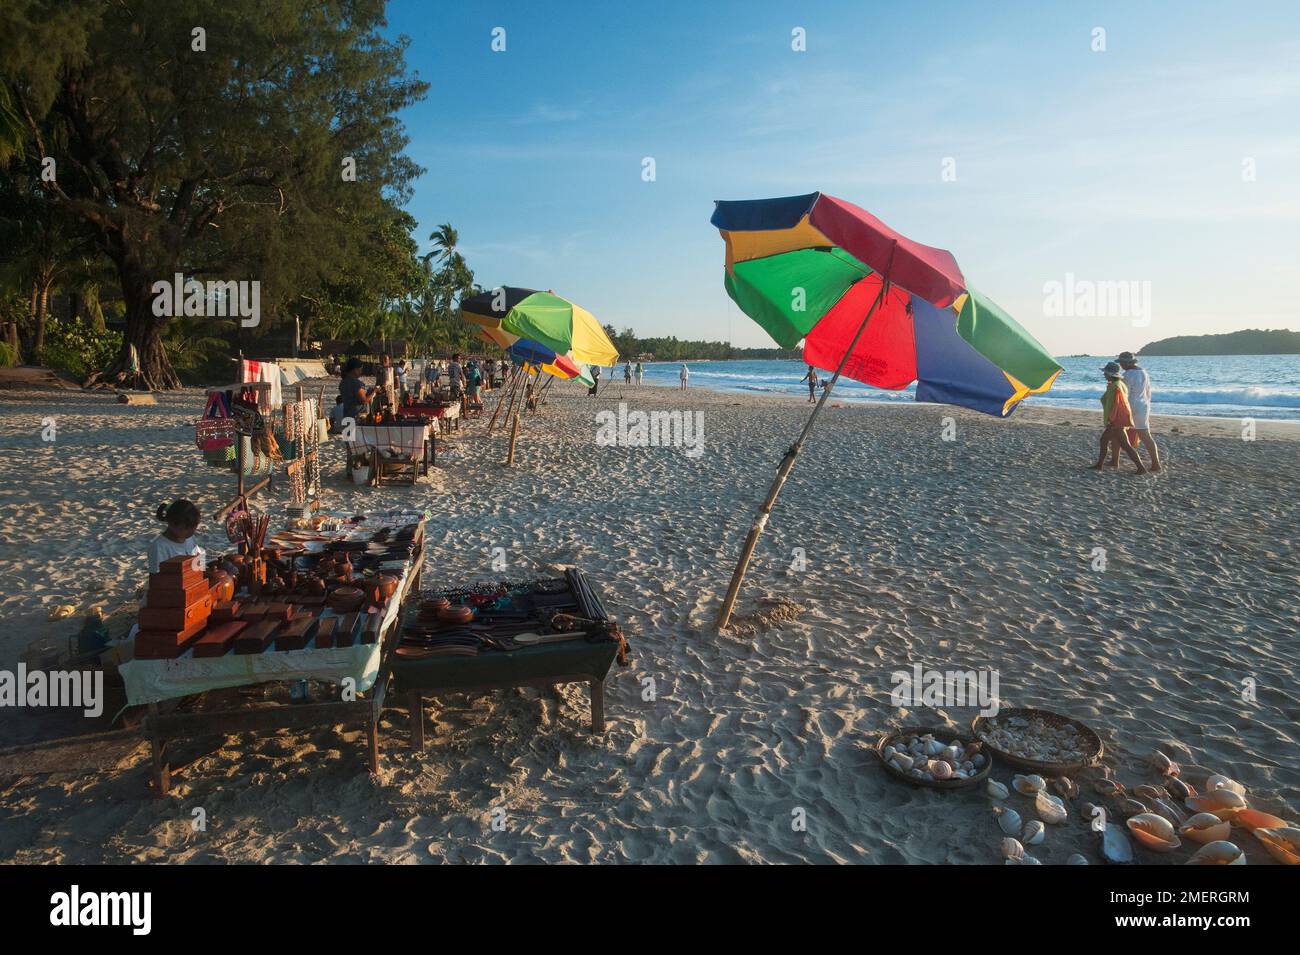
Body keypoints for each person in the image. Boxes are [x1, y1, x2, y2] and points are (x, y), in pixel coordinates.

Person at [1090, 362, 1147, 474]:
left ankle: (1141, 468)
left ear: (1109, 374)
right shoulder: (1119, 384)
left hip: (1116, 421)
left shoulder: (1115, 386)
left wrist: (1111, 420)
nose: (1104, 375)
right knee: (1109, 441)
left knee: (1122, 444)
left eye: (1105, 373)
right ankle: (1100, 464)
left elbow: (1117, 405)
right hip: (1118, 420)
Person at [1110, 351, 1162, 472]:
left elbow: (1124, 392)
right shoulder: (1144, 373)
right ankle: (1156, 463)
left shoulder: (1128, 374)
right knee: (1145, 435)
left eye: (1122, 363)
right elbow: (1148, 392)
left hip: (1130, 407)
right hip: (1143, 406)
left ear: (1127, 363)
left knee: (1117, 432)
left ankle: (1115, 460)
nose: (1121, 365)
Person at [149, 500, 204, 573]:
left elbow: (198, 563)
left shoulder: (190, 538)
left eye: (194, 528)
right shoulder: (159, 547)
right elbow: (157, 578)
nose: (192, 532)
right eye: (187, 528)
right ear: (172, 524)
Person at [340, 357, 372, 423]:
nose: (361, 372)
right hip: (357, 417)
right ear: (355, 370)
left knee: (349, 433)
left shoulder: (343, 382)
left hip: (347, 416)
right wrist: (374, 392)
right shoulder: (357, 383)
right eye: (360, 369)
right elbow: (363, 400)